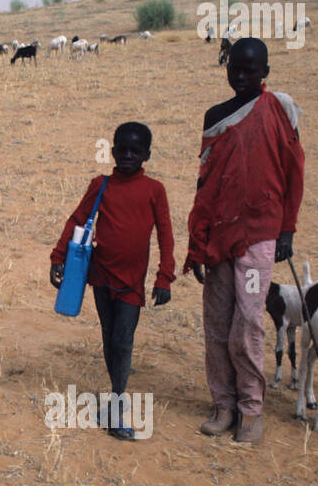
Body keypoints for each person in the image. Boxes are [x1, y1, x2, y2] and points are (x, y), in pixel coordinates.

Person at [183, 37, 304, 444]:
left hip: (259, 235)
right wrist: (196, 241)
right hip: (218, 236)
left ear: (265, 72)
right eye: (235, 68)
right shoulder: (215, 116)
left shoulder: (279, 111)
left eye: (250, 70)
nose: (241, 76)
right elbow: (205, 184)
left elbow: (294, 173)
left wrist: (287, 229)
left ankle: (252, 409)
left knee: (249, 322)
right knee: (217, 323)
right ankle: (224, 405)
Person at [50, 122, 175, 439]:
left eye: (136, 150)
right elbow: (77, 219)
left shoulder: (154, 191)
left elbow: (165, 234)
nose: (129, 155)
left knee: (123, 339)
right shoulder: (100, 185)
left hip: (132, 282)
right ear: (113, 151)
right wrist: (57, 257)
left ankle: (117, 402)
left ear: (147, 154)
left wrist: (165, 276)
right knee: (109, 337)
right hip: (101, 276)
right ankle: (116, 397)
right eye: (123, 149)